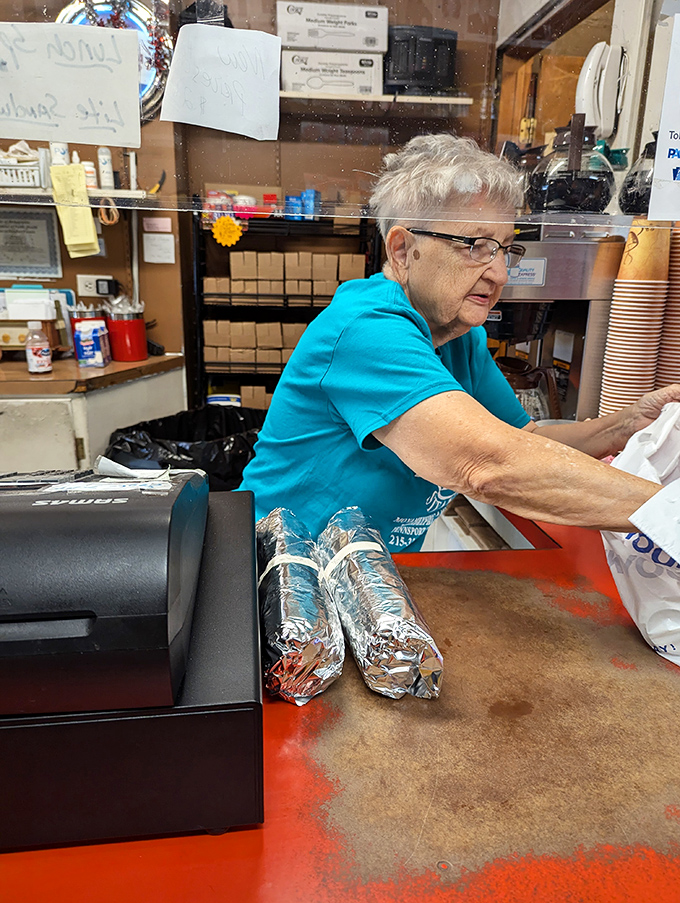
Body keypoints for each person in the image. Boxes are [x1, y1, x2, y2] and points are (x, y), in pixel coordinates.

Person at [240, 134, 680, 553]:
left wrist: (624, 426)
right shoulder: (366, 330)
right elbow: (488, 465)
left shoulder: (459, 336)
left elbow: (523, 438)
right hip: (283, 576)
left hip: (367, 581)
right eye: (476, 246)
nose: (500, 274)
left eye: (505, 249)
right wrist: (670, 515)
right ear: (402, 250)